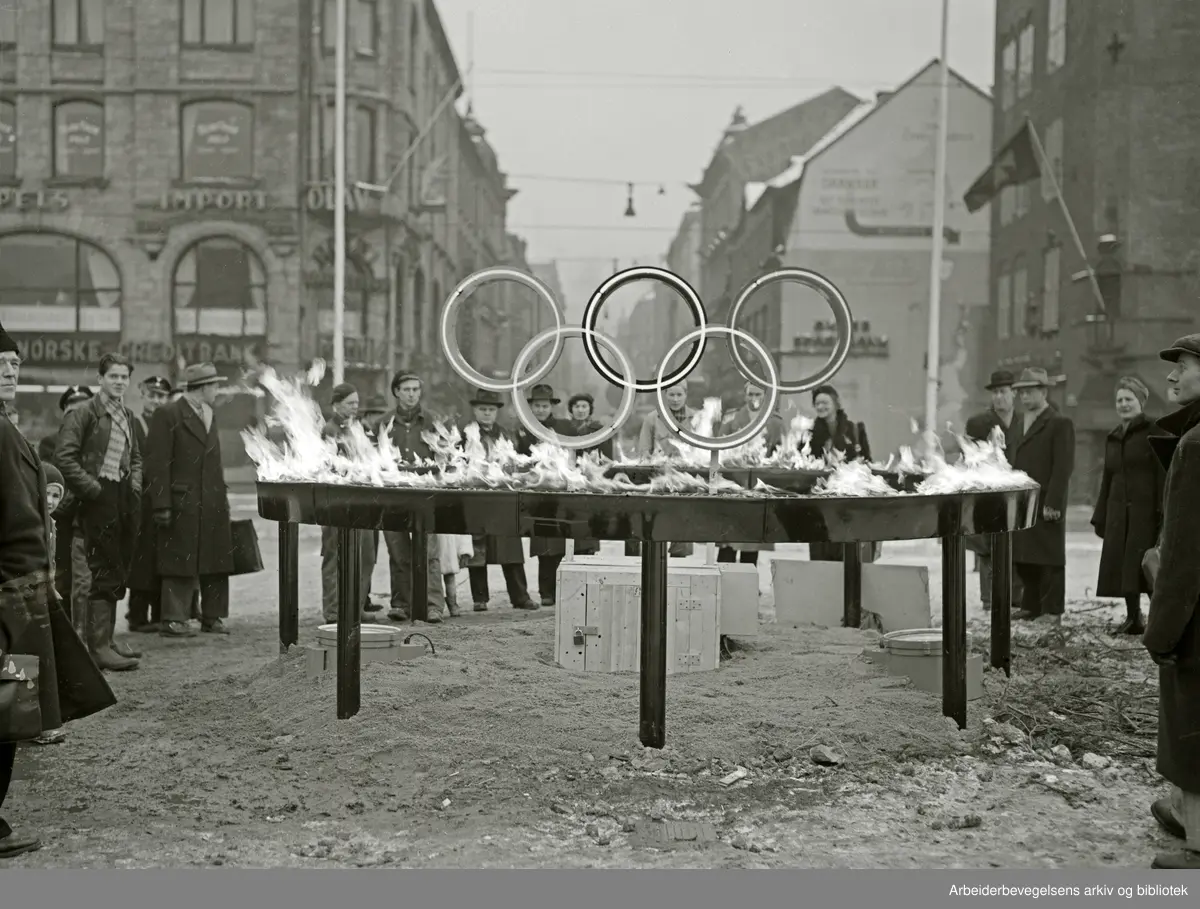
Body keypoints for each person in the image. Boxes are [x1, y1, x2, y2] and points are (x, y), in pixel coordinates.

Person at [1, 321, 115, 860]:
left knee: (16, 706)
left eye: (14, 364)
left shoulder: (5, 427)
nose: (8, 372)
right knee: (10, 710)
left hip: (17, 593)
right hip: (10, 599)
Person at [1141, 333, 1200, 869]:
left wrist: (1160, 631)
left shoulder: (1196, 444)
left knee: (1189, 721)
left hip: (1196, 616)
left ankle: (1198, 843)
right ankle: (1184, 810)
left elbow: (1182, 554)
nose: (1172, 375)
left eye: (1184, 365)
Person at [55, 353, 143, 671]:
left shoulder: (127, 415)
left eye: (124, 377)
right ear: (100, 379)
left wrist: (133, 486)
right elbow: (64, 458)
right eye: (113, 376)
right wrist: (92, 490)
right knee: (99, 571)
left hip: (121, 499)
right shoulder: (83, 414)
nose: (119, 382)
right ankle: (98, 648)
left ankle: (106, 640)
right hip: (94, 502)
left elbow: (135, 458)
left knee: (116, 567)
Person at [145, 362, 235, 638]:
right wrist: (161, 504)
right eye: (215, 385)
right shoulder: (168, 414)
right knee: (178, 561)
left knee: (216, 561)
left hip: (212, 501)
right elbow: (157, 463)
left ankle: (213, 617)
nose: (218, 391)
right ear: (204, 387)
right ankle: (173, 619)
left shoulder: (210, 413)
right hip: (182, 501)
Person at [1090, 376, 1164, 636]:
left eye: (1129, 399)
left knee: (1148, 567)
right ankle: (1134, 618)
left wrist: (1162, 513)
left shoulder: (1155, 431)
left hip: (1145, 514)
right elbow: (1107, 481)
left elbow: (1163, 475)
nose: (1123, 404)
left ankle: (1161, 621)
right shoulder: (1113, 437)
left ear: (1141, 401)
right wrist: (1101, 516)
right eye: (1119, 400)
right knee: (1123, 568)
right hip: (1118, 514)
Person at [1007, 367, 1076, 625]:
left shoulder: (1059, 423)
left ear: (1044, 392)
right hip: (1023, 499)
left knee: (1049, 557)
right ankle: (1031, 605)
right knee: (1026, 556)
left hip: (1046, 500)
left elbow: (1063, 466)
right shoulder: (1018, 423)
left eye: (1029, 392)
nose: (1024, 398)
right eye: (1021, 393)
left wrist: (1054, 502)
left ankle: (1052, 610)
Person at [376, 371, 446, 623]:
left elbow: (444, 458)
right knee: (398, 552)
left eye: (416, 389)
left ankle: (433, 605)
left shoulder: (432, 421)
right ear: (396, 392)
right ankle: (401, 604)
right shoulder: (383, 423)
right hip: (393, 495)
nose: (412, 394)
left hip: (425, 496)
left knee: (429, 552)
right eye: (406, 389)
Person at [463, 388, 537, 611]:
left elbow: (515, 462)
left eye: (491, 410)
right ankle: (479, 598)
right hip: (476, 497)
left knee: (510, 546)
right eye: (483, 409)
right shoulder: (465, 434)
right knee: (477, 548)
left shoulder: (506, 434)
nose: (487, 413)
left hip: (502, 496)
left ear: (496, 412)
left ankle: (520, 596)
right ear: (475, 410)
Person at [318, 383, 379, 625]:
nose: (355, 407)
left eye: (356, 403)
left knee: (365, 555)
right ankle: (333, 610)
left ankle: (356, 606)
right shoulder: (329, 430)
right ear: (336, 404)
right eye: (350, 403)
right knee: (335, 556)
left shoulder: (357, 429)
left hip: (360, 500)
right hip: (336, 503)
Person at [963, 370, 1020, 609]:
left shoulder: (1024, 421)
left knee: (1017, 543)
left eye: (1004, 392)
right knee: (988, 546)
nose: (999, 397)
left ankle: (1015, 596)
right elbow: (968, 457)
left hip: (1017, 489)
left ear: (1014, 393)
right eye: (995, 392)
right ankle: (989, 599)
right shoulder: (980, 423)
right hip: (989, 490)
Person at [626, 379, 696, 559]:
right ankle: (653, 562)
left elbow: (700, 453)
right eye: (671, 394)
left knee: (681, 527)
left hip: (684, 479)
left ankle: (680, 570)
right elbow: (644, 450)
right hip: (657, 477)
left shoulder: (695, 418)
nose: (675, 399)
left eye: (679, 394)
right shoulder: (652, 418)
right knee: (655, 524)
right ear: (664, 396)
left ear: (686, 395)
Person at [516, 384, 571, 606]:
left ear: (551, 407)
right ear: (530, 407)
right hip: (536, 492)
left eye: (544, 405)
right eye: (537, 405)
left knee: (558, 544)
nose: (540, 410)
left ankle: (558, 590)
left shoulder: (561, 428)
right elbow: (519, 458)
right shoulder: (524, 430)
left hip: (557, 490)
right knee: (541, 545)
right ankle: (545, 592)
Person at [807, 384, 876, 564]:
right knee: (821, 550)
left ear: (836, 404)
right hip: (821, 501)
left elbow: (867, 460)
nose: (820, 406)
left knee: (845, 549)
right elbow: (805, 462)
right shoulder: (810, 434)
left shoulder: (854, 429)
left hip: (847, 499)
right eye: (817, 403)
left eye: (825, 402)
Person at [717, 381, 783, 566]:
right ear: (745, 396)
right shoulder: (732, 418)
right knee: (727, 540)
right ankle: (723, 580)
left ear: (765, 397)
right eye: (750, 394)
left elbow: (782, 451)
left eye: (758, 394)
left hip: (758, 484)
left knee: (751, 540)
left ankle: (748, 582)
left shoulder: (775, 421)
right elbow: (719, 447)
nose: (754, 398)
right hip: (734, 483)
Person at [126, 375, 173, 633]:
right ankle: (136, 616)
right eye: (152, 395)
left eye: (161, 396)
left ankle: (158, 613)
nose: (156, 400)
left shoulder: (169, 423)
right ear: (142, 395)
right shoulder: (135, 423)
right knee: (141, 558)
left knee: (160, 556)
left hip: (163, 498)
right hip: (141, 501)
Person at [566, 392, 612, 556]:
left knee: (588, 524)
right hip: (569, 480)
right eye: (576, 406)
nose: (580, 410)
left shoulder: (599, 429)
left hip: (591, 481)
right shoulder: (565, 429)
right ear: (571, 409)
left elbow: (608, 458)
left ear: (590, 409)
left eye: (584, 406)